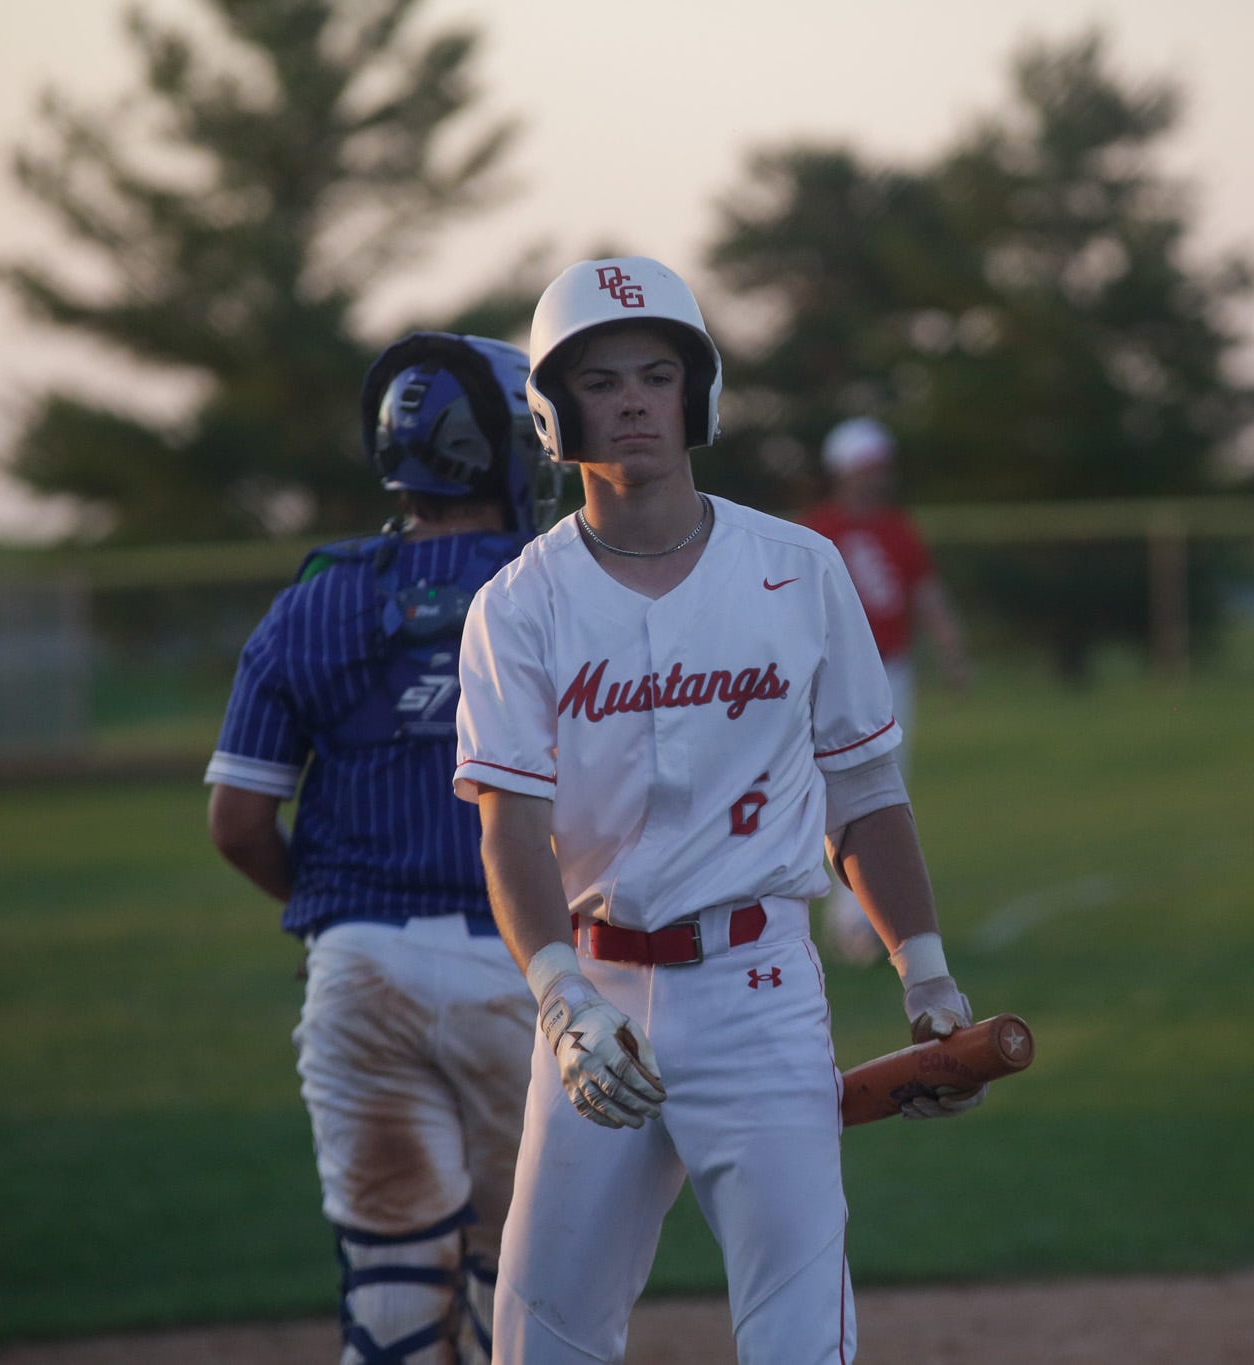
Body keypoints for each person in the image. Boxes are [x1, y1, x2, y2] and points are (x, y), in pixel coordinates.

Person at [452, 256, 983, 1364]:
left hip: (760, 991)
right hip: (598, 997)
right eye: (602, 380)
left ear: (698, 394)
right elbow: (509, 829)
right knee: (542, 1336)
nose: (635, 400)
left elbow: (863, 792)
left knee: (800, 1332)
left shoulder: (799, 566)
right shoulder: (519, 603)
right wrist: (559, 999)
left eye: (659, 374)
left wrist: (926, 977)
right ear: (554, 408)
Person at [206, 332, 556, 1364]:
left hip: (358, 970)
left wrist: (339, 916)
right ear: (503, 450)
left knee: (392, 1283)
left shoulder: (314, 598)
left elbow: (236, 822)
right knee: (523, 1279)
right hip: (529, 970)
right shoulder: (558, 588)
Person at [803, 416, 972, 963]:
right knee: (825, 793)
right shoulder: (818, 529)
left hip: (890, 673)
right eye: (868, 467)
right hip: (828, 676)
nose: (877, 477)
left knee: (882, 790)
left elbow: (925, 592)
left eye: (881, 467)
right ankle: (845, 918)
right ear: (844, 471)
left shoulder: (898, 528)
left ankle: (862, 921)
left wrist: (952, 651)